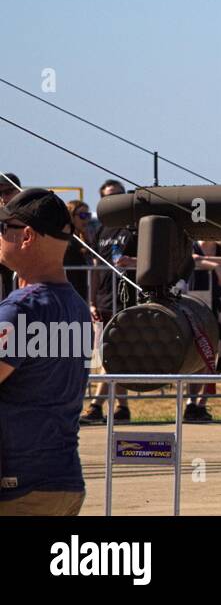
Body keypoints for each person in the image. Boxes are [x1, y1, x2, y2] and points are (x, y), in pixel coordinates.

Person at [0, 188, 93, 515]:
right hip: (64, 481)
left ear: (25, 236)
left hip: (19, 488)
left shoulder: (20, 310)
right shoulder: (78, 309)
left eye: (2, 229)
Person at [81, 179, 133, 425]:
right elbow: (94, 267)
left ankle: (95, 406)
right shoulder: (100, 229)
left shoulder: (134, 228)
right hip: (101, 299)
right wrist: (91, 301)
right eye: (110, 197)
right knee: (109, 356)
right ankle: (122, 407)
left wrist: (131, 262)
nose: (116, 201)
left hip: (124, 299)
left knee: (111, 355)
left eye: (119, 196)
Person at [182, 241, 221, 423]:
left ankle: (202, 404)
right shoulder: (193, 244)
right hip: (195, 306)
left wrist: (212, 262)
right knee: (197, 355)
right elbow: (192, 260)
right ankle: (191, 402)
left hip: (216, 307)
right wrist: (215, 265)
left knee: (215, 355)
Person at [62, 200, 96, 306]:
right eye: (82, 215)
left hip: (82, 294)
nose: (86, 219)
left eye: (88, 215)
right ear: (71, 217)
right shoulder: (66, 242)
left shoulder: (85, 239)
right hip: (70, 295)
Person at [0, 173, 20, 299]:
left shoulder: (30, 218)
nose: (2, 197)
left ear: (18, 192)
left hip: (23, 282)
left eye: (7, 192)